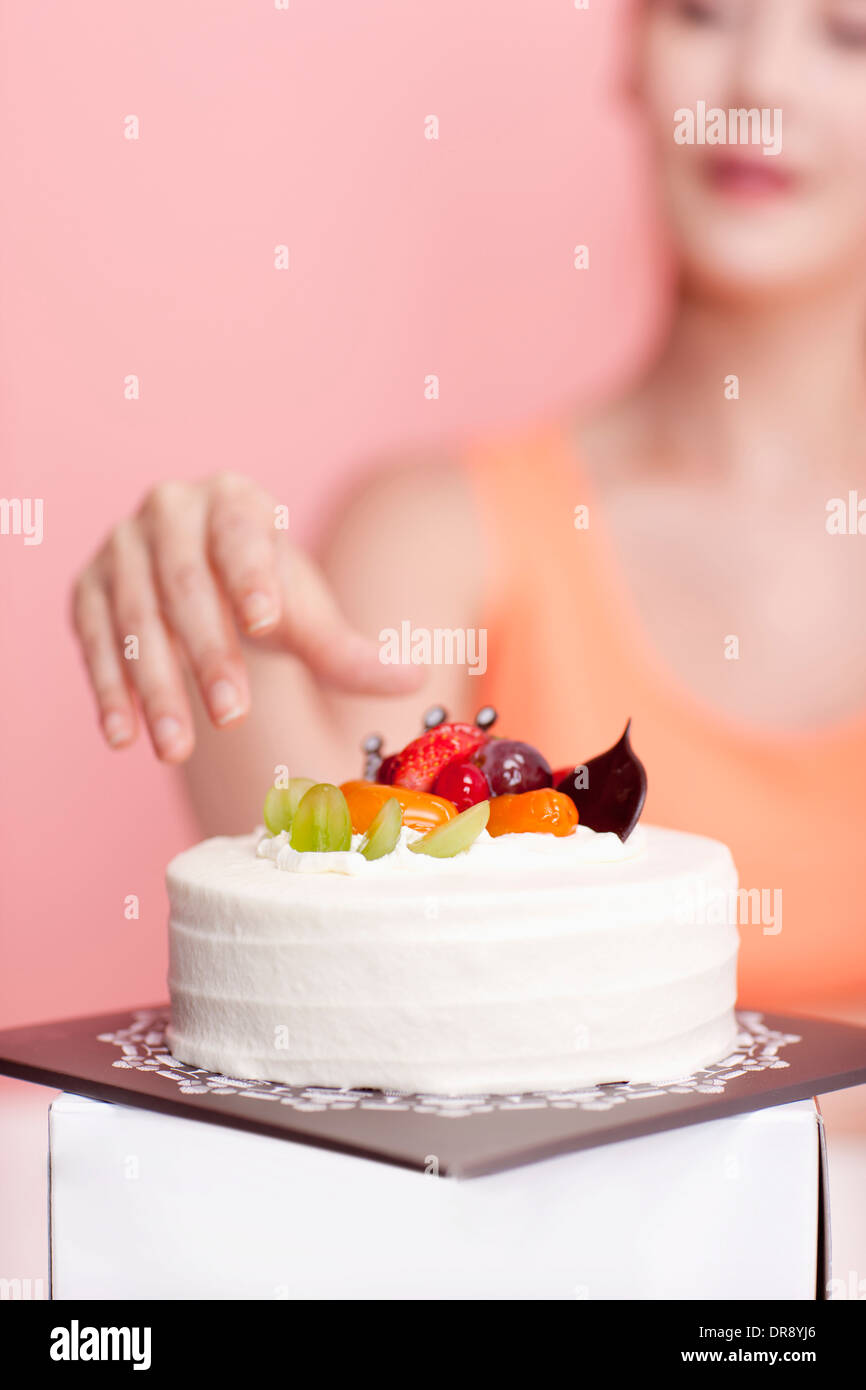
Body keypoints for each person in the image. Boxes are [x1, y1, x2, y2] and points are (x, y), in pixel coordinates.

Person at [70, 0, 866, 1012]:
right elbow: (349, 993)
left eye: (848, 33)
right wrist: (218, 616)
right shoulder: (433, 540)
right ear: (630, 49)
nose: (759, 88)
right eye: (703, 12)